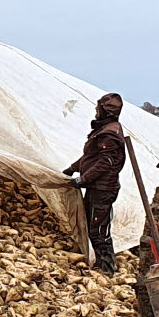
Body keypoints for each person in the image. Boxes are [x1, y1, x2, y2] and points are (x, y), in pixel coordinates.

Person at [64, 92, 125, 273]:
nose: (96, 111)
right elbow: (90, 157)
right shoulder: (103, 129)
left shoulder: (109, 134)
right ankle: (100, 264)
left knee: (98, 229)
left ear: (106, 111)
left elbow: (105, 163)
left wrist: (83, 179)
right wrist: (73, 168)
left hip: (103, 189)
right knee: (92, 225)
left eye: (98, 108)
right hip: (96, 187)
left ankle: (107, 268)